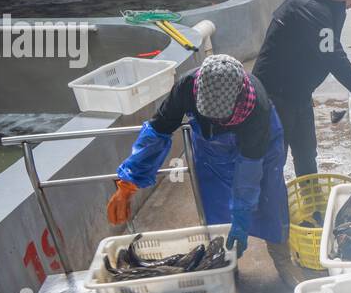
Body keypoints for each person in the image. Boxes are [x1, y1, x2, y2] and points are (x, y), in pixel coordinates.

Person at [106, 54, 288, 261]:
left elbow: (249, 170)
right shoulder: (186, 86)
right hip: (211, 151)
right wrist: (128, 182)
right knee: (216, 210)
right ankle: (224, 260)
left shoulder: (256, 106)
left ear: (237, 96)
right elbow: (158, 130)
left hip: (259, 150)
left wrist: (242, 214)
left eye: (220, 115)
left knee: (270, 200)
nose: (214, 119)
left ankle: (281, 255)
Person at [254, 0, 351, 178]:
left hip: (299, 92)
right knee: (275, 158)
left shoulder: (333, 2)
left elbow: (327, 47)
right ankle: (273, 208)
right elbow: (332, 56)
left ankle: (312, 208)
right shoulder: (309, 5)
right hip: (275, 94)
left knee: (307, 153)